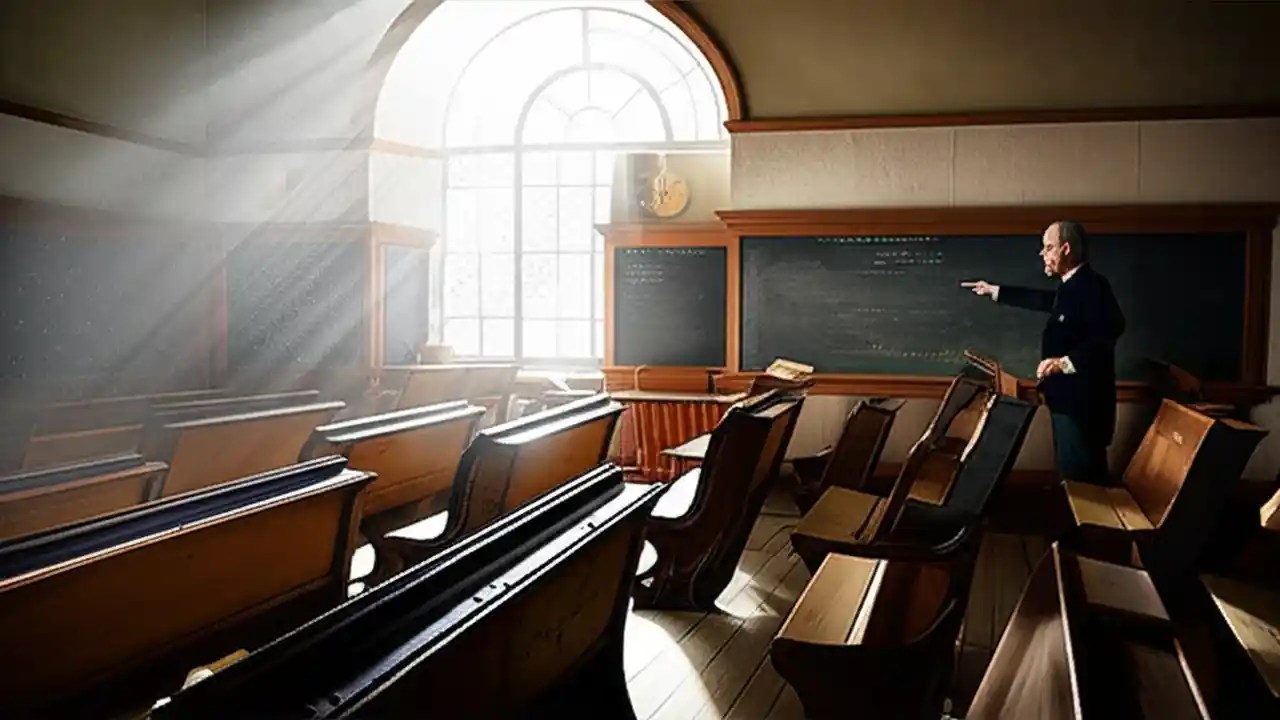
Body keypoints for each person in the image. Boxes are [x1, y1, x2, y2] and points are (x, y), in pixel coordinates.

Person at [961, 221, 1125, 484]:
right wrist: (996, 291)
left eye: (1048, 247)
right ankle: (1079, 524)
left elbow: (1110, 332)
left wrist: (1063, 363)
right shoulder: (1072, 285)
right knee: (1072, 479)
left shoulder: (1092, 286)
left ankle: (1090, 526)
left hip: (1083, 406)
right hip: (1067, 401)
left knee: (1084, 481)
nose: (1042, 254)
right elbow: (1044, 300)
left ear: (1066, 249)